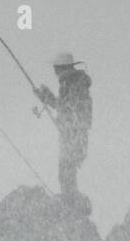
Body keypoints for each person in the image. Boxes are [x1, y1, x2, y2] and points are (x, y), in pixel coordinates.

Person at [34, 51, 92, 199]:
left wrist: (47, 97)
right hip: (74, 135)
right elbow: (64, 106)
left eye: (56, 68)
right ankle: (70, 200)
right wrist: (46, 97)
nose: (54, 71)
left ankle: (70, 202)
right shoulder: (73, 82)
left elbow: (68, 108)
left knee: (66, 170)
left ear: (62, 68)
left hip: (74, 136)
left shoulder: (74, 84)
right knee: (67, 170)